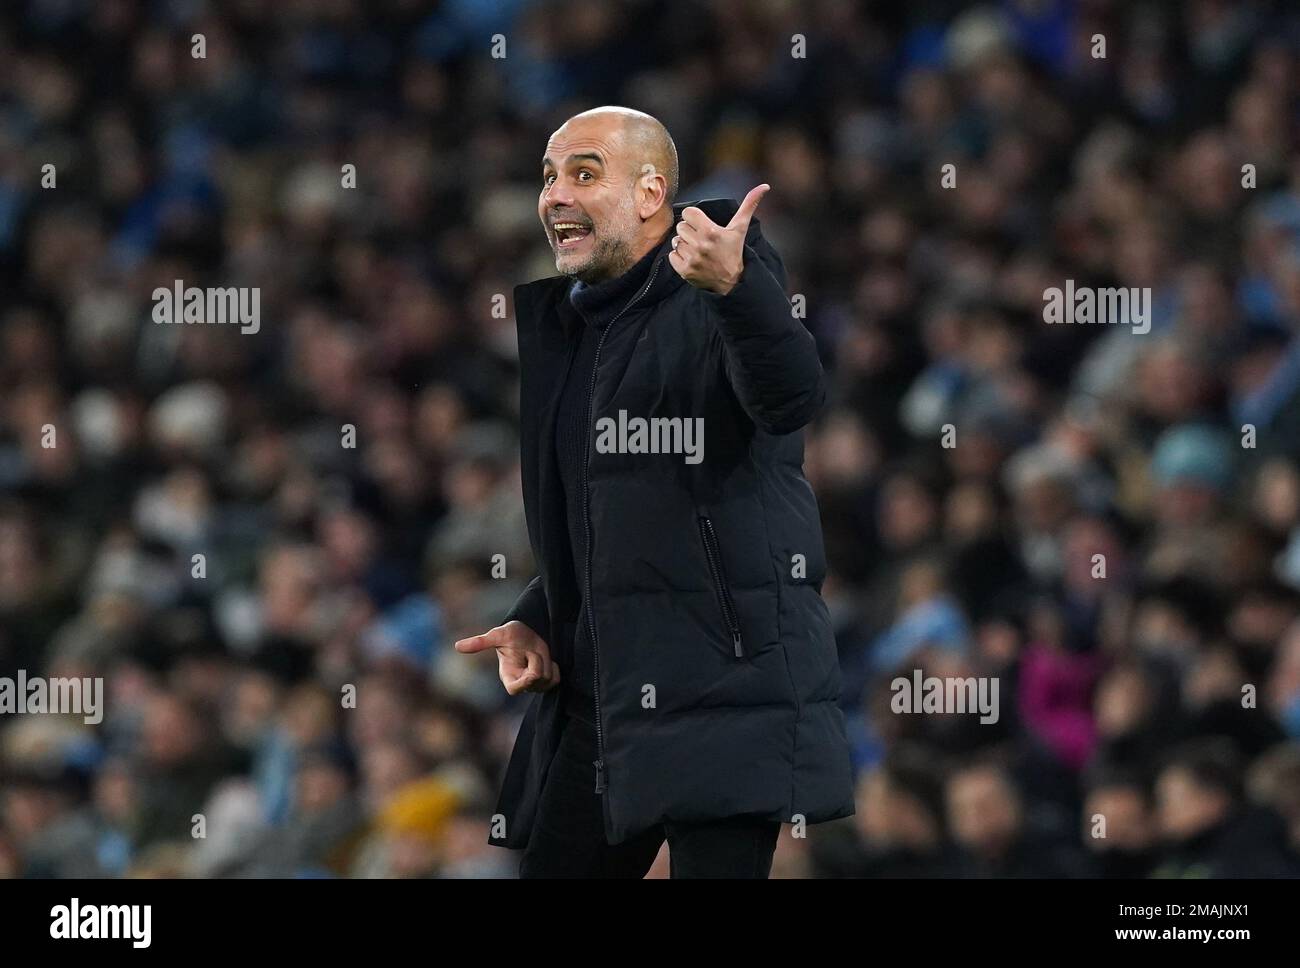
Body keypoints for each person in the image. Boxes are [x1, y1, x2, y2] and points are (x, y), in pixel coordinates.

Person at [455, 105, 854, 877]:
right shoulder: (573, 331)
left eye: (583, 172)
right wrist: (542, 613)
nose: (555, 195)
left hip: (725, 694)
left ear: (650, 194)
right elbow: (605, 508)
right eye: (548, 177)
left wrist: (736, 290)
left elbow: (789, 397)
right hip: (604, 704)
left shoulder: (718, 281)